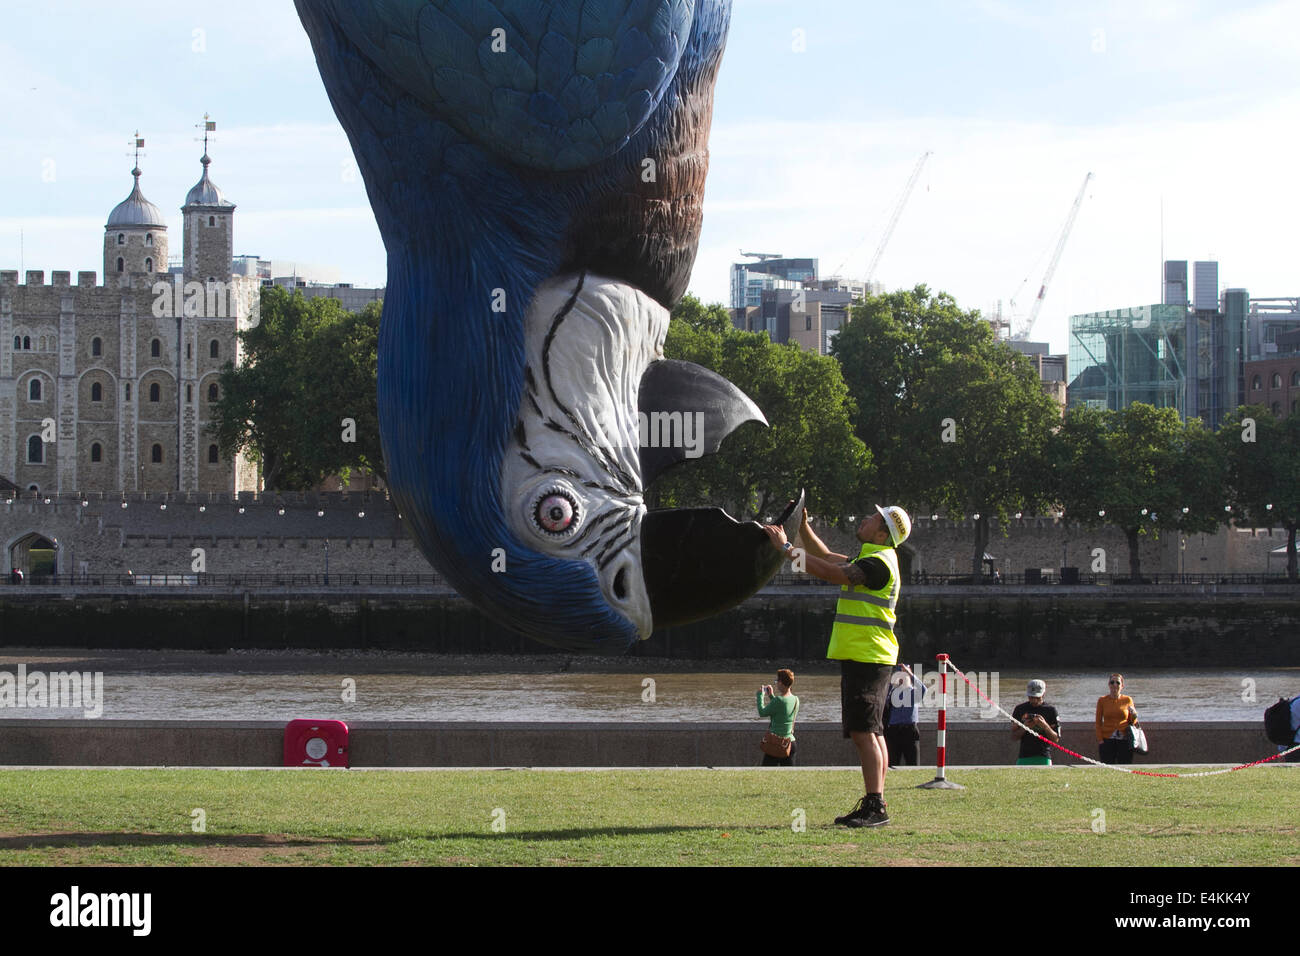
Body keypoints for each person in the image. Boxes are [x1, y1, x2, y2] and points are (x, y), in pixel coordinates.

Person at [764, 503, 911, 828]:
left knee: (863, 731)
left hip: (867, 655)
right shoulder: (873, 559)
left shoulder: (877, 564)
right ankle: (876, 801)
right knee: (873, 730)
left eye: (872, 517)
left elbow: (832, 573)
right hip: (870, 655)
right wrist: (802, 527)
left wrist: (786, 549)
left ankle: (876, 806)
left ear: (883, 532)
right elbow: (827, 555)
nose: (864, 517)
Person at [1011, 678, 1060, 766]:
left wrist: (1045, 725)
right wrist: (1025, 727)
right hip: (1024, 756)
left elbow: (1056, 739)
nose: (1034, 700)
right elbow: (1013, 737)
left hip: (1044, 756)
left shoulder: (1051, 710)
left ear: (1043, 694)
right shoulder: (1020, 709)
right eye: (1031, 697)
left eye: (1037, 697)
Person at [757, 669, 799, 767]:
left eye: (777, 681)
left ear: (781, 683)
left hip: (775, 744)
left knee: (766, 775)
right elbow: (783, 711)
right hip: (790, 743)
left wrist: (760, 695)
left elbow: (762, 712)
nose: (776, 684)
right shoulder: (796, 699)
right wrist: (771, 696)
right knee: (788, 777)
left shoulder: (779, 700)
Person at [1095, 673, 1139, 764]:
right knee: (1107, 768)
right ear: (1109, 685)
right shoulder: (1102, 700)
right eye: (1112, 682)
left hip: (1125, 740)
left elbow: (1133, 722)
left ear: (1122, 686)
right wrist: (1100, 740)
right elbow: (1098, 722)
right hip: (1107, 740)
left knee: (1125, 766)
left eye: (1118, 683)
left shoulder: (1128, 700)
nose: (1115, 685)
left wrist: (1134, 715)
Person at [883, 663, 922, 767]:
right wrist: (893, 683)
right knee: (892, 763)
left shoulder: (914, 692)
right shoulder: (891, 691)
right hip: (893, 731)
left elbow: (923, 689)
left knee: (913, 763)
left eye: (905, 675)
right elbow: (883, 700)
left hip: (910, 730)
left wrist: (910, 673)